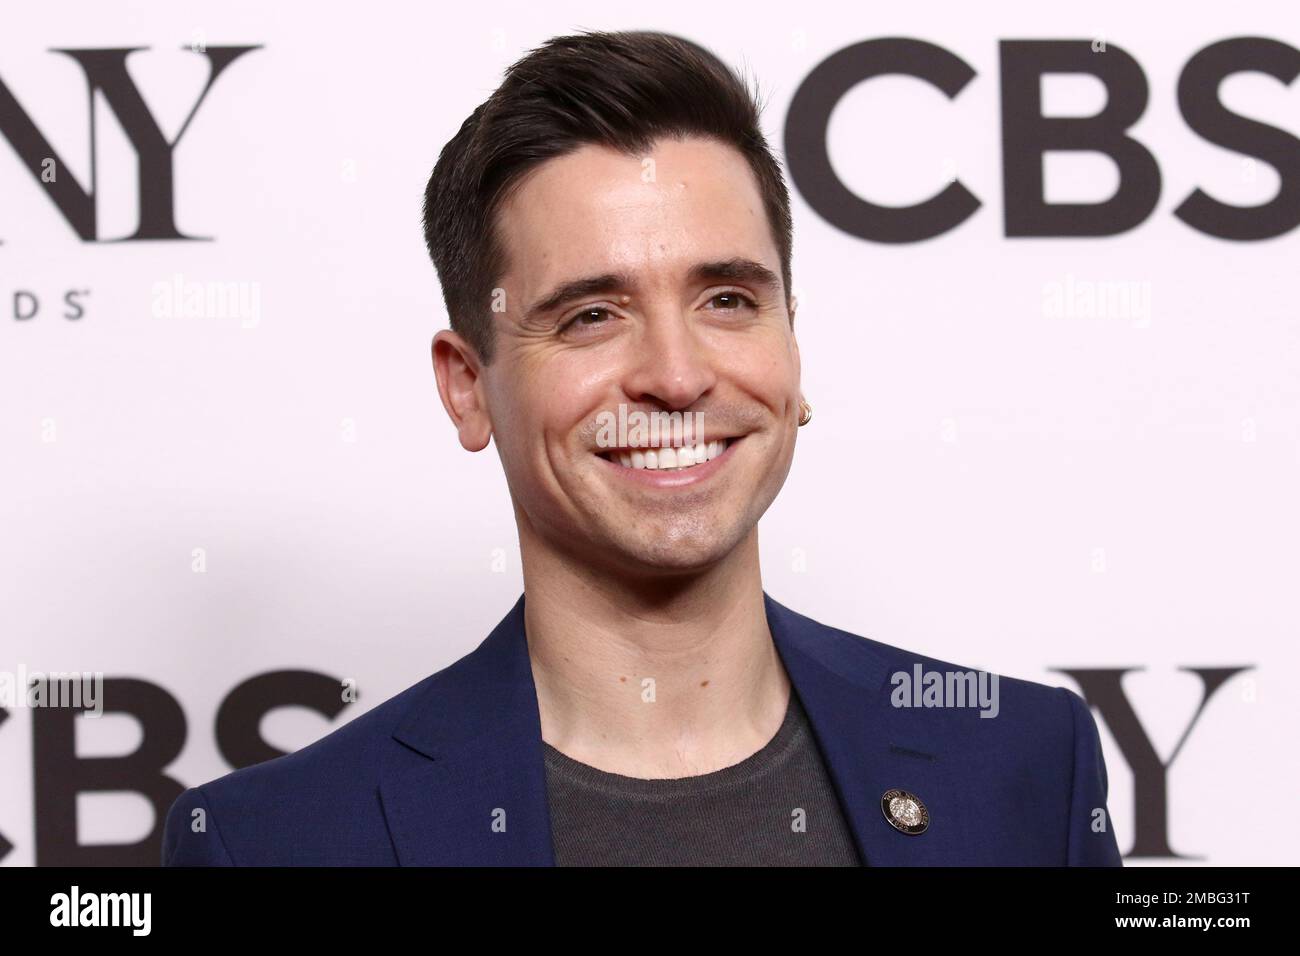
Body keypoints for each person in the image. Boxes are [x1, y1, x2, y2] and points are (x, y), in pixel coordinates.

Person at [162, 29, 1122, 866]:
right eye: (590, 314)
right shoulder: (277, 843)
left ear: (793, 341)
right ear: (468, 387)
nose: (676, 373)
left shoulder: (1024, 765)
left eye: (728, 300)